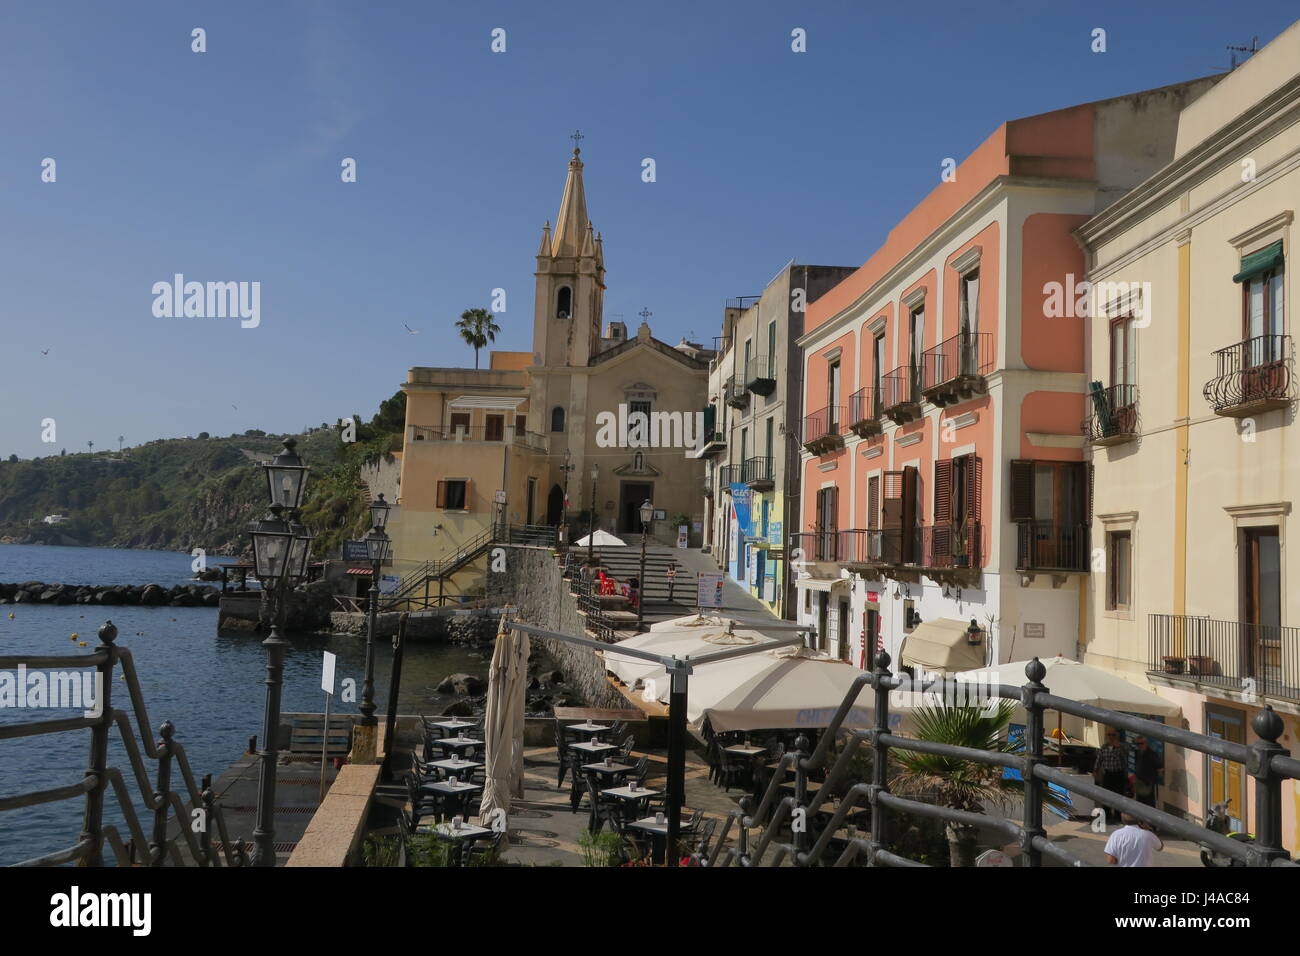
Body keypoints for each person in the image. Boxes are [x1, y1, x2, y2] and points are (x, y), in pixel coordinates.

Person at [1095, 730, 1129, 823]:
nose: (1111, 737)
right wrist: (1096, 770)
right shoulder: (1104, 747)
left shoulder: (1121, 746)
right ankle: (1107, 815)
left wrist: (1120, 747)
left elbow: (1127, 756)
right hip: (1108, 774)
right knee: (1106, 795)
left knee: (1118, 795)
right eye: (1109, 735)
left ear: (1116, 736)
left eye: (1113, 735)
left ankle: (1118, 816)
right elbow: (1099, 760)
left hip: (1118, 774)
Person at [1132, 735, 1163, 808]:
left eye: (1141, 743)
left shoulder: (1152, 754)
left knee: (1149, 805)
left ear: (1146, 743)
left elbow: (1160, 768)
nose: (1140, 745)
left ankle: (1149, 819)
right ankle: (1141, 819)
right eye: (1138, 744)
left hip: (1149, 784)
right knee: (1139, 804)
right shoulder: (1137, 753)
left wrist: (1155, 779)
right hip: (1139, 783)